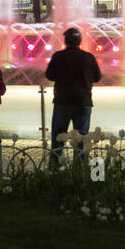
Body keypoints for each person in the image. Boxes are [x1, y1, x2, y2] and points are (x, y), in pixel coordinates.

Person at [45, 27, 101, 166]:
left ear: (65, 41)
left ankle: (55, 165)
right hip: (83, 101)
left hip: (62, 101)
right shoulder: (88, 57)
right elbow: (97, 77)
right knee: (81, 137)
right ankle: (80, 166)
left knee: (58, 136)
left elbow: (49, 75)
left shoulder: (58, 56)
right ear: (80, 41)